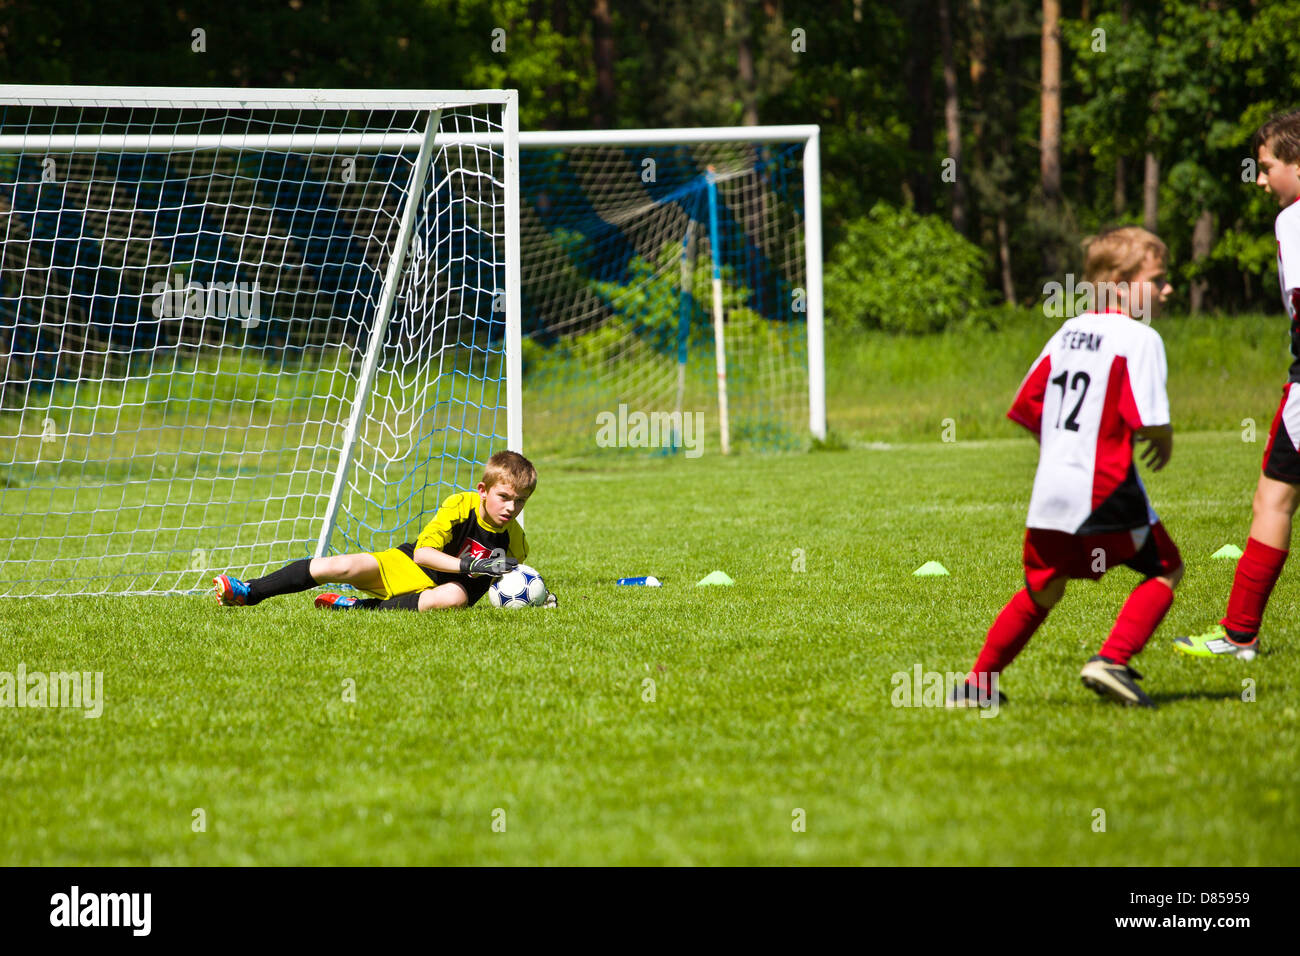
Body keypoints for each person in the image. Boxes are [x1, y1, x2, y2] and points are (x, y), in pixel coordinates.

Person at [948, 226, 1181, 710]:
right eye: (1157, 280)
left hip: (1050, 492)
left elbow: (1027, 405)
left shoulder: (1066, 332)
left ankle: (976, 684)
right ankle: (1113, 660)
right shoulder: (1139, 337)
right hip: (1103, 485)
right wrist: (1164, 441)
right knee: (1166, 567)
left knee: (1043, 587)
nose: (1167, 289)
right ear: (1120, 284)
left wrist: (1062, 447)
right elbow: (1151, 419)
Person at [1174, 110, 1300, 662]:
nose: (1259, 178)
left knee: (1272, 499)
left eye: (1268, 166)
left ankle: (1240, 635)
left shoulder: (1293, 220)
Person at [212, 450, 543, 612]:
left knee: (454, 598)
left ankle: (355, 608)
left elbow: (516, 577)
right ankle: (249, 591)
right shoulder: (461, 505)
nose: (511, 509)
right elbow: (424, 553)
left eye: (520, 502)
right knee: (338, 566)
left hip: (449, 589)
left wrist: (540, 596)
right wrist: (468, 565)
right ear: (483, 490)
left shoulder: (515, 539)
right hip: (411, 566)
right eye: (504, 497)